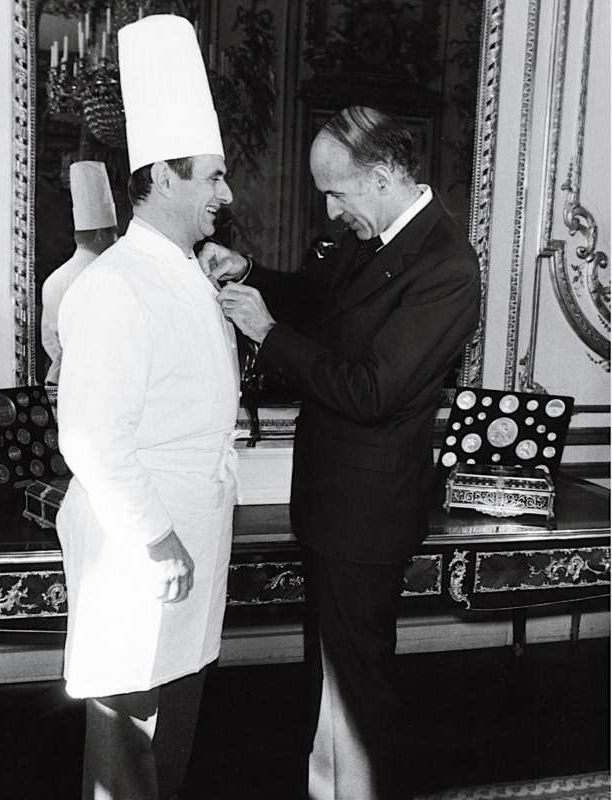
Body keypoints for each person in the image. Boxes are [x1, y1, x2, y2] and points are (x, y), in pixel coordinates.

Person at [200, 105, 481, 800]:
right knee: (326, 678)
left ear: (383, 175)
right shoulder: (371, 234)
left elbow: (371, 393)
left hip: (369, 513)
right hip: (334, 502)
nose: (328, 209)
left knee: (358, 689)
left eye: (337, 192)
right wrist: (253, 272)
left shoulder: (447, 267)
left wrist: (267, 333)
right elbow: (320, 303)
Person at [55, 15, 241, 800]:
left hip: (186, 545)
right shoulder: (114, 285)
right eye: (212, 177)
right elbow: (94, 437)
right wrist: (159, 542)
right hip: (144, 551)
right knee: (129, 757)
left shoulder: (179, 273)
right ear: (163, 178)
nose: (226, 195)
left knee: (171, 747)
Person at [41, 160, 117, 384]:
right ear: (102, 236)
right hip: (102, 381)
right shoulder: (107, 276)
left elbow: (49, 340)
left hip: (63, 381)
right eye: (114, 234)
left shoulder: (54, 280)